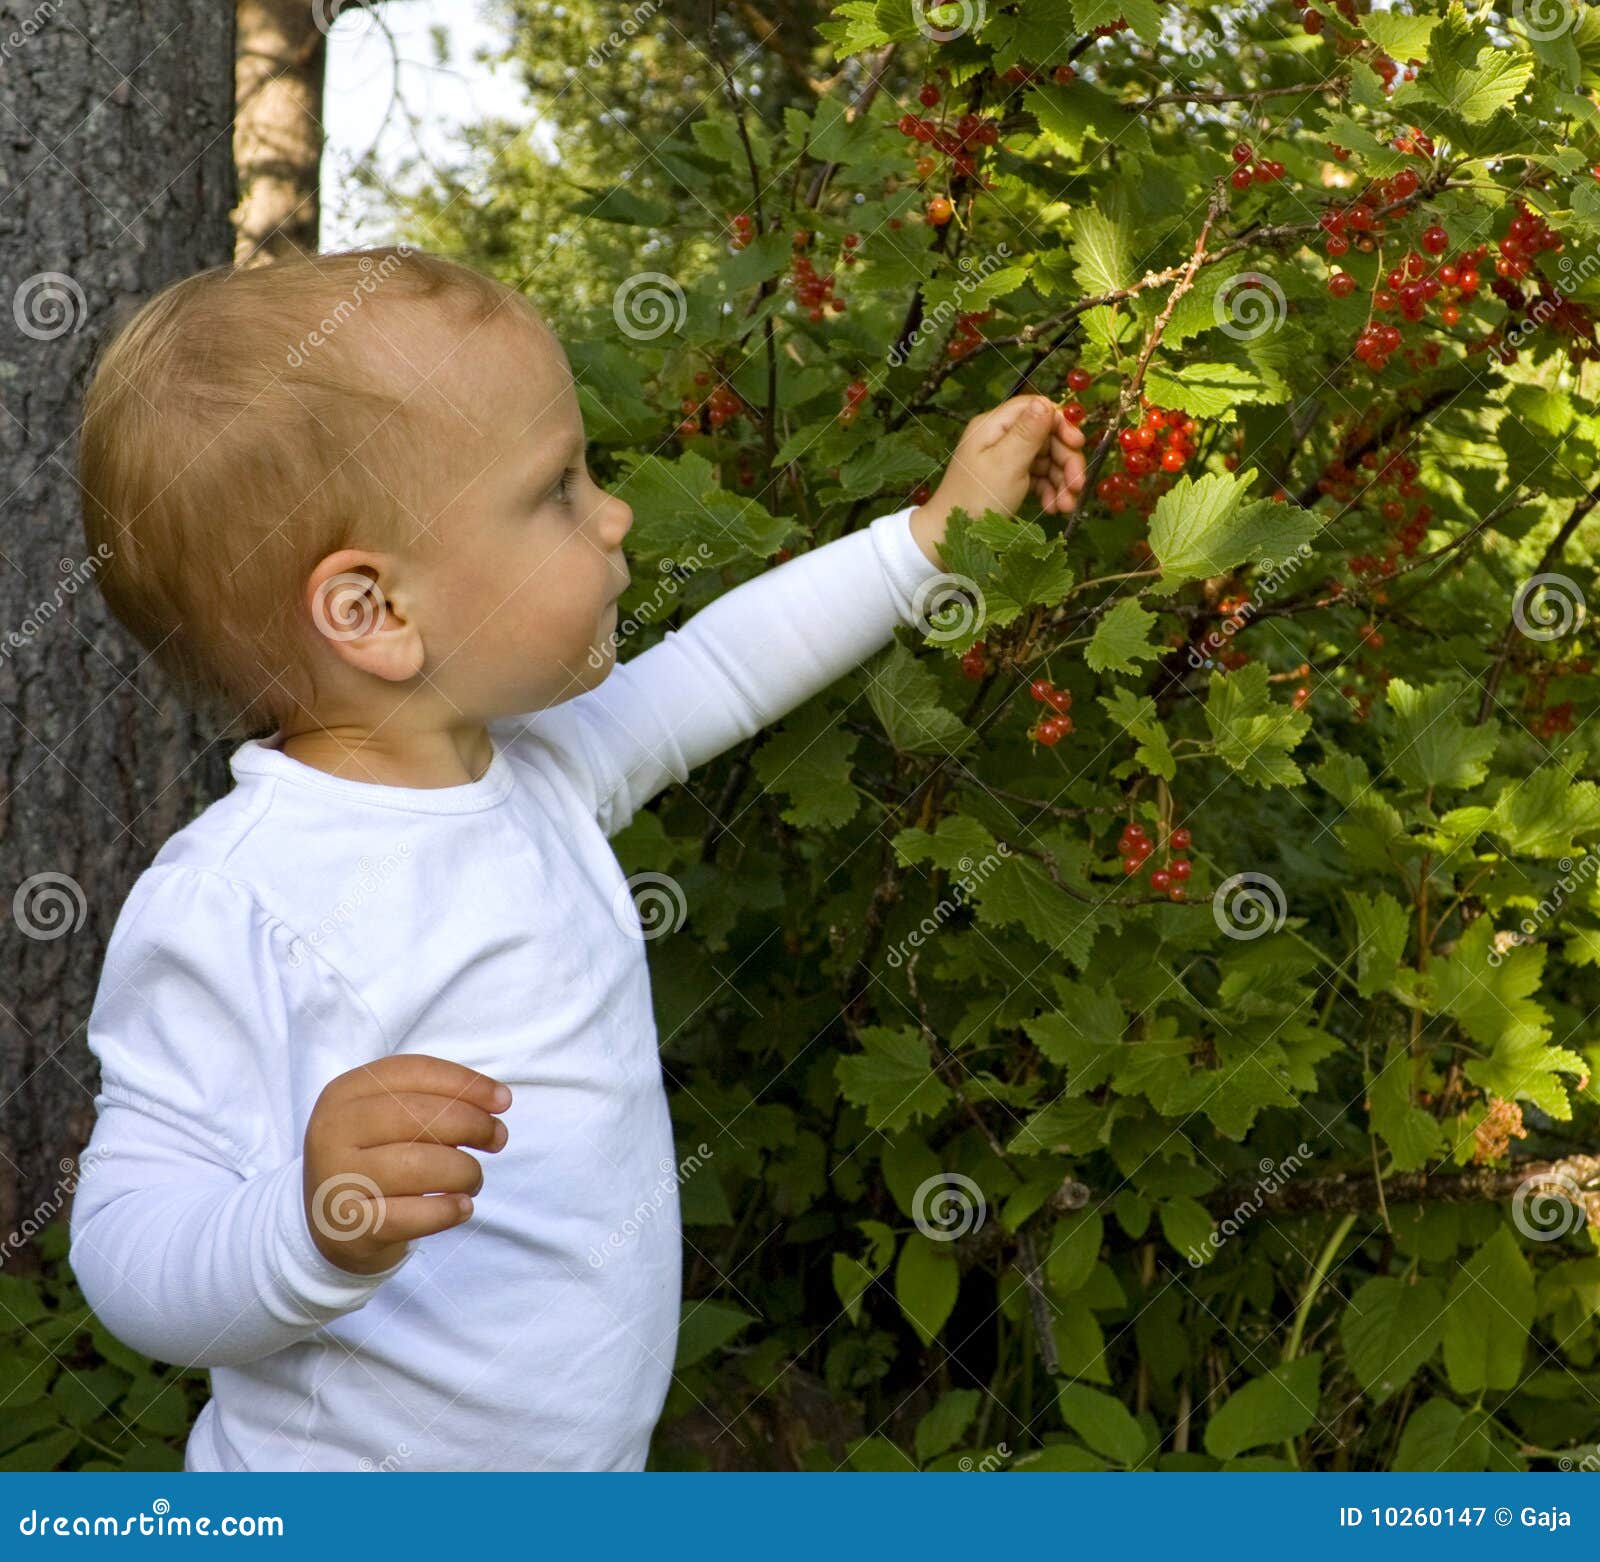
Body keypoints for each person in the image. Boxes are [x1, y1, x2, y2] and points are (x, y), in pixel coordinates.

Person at [67, 246, 1086, 1471]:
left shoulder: (532, 768)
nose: (612, 514)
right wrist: (305, 1225)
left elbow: (719, 666)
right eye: (556, 489)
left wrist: (925, 542)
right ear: (373, 613)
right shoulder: (237, 895)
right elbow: (126, 1244)